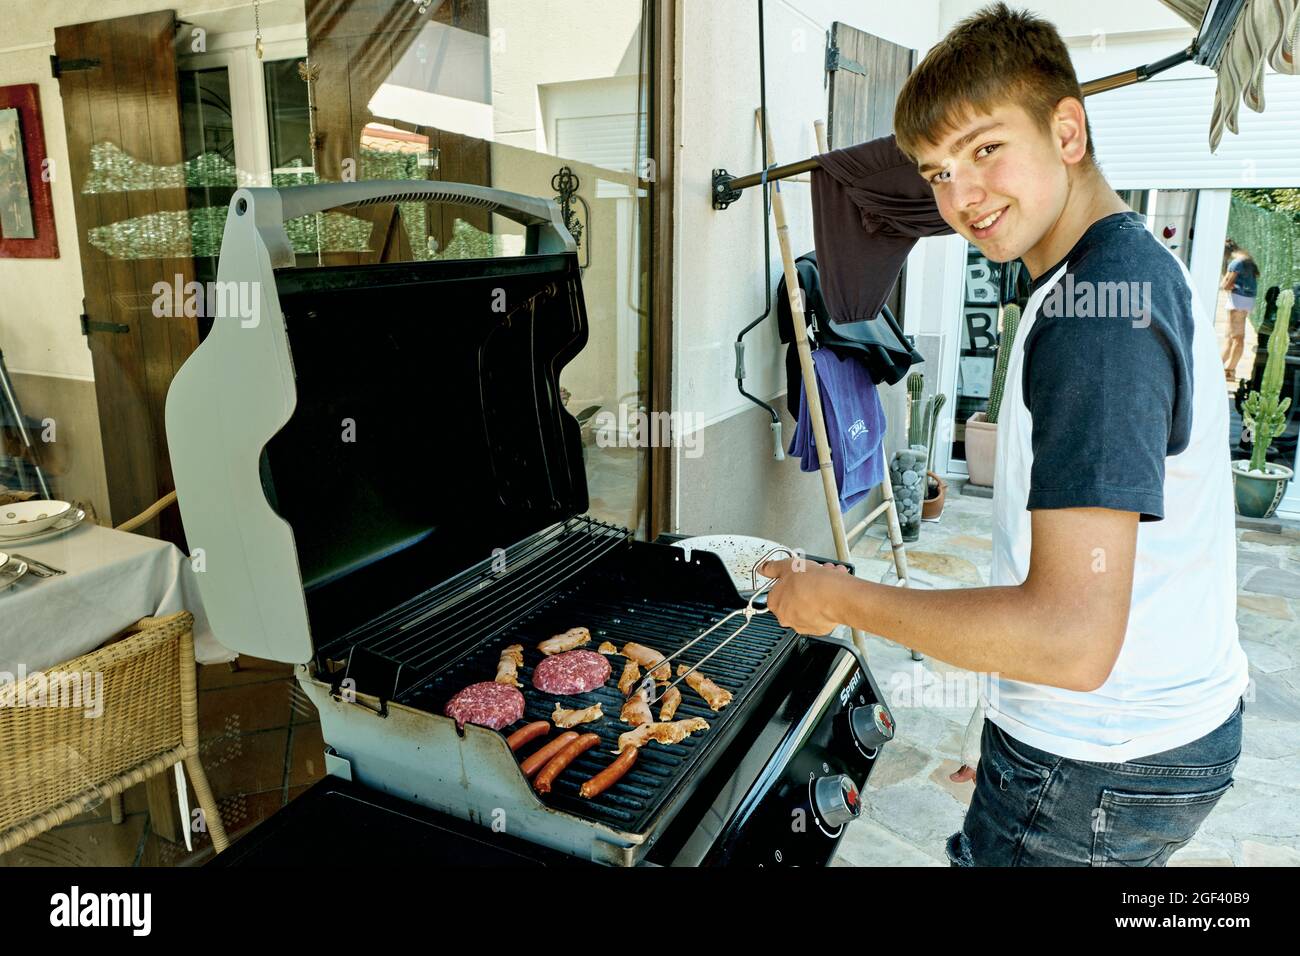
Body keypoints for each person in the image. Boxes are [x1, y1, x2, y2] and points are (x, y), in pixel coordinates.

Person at [761, 3, 1248, 866]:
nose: (961, 197)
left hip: (1105, 752)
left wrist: (835, 597)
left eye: (985, 148)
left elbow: (1069, 637)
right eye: (937, 171)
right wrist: (1012, 738)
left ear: (1067, 130)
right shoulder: (1116, 267)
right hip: (1143, 734)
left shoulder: (1097, 315)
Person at [1221, 241, 1259, 379]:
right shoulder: (1248, 260)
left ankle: (1229, 370)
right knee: (1233, 337)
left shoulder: (1236, 263)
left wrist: (1226, 284)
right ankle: (1225, 367)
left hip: (1237, 301)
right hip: (1246, 301)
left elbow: (1226, 284)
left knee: (1235, 337)